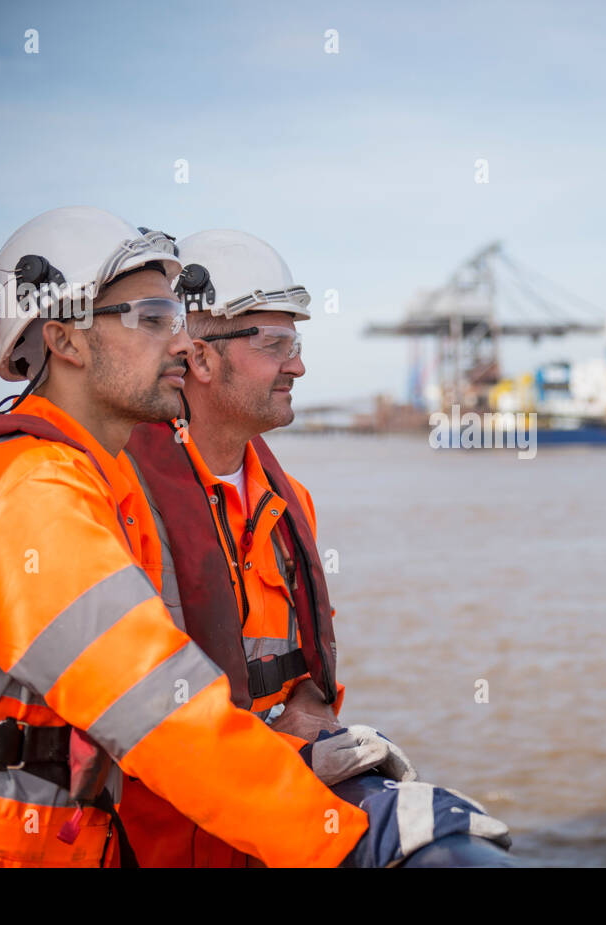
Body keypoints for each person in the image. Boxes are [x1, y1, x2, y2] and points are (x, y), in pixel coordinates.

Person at [0, 207, 373, 867]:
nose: (184, 344)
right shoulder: (28, 495)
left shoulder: (102, 491)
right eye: (152, 320)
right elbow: (160, 711)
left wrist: (294, 755)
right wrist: (348, 835)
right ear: (66, 341)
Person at [121, 230, 509, 866]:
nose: (297, 365)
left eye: (294, 344)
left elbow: (305, 671)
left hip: (268, 829)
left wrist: (310, 721)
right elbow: (130, 707)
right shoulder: (119, 495)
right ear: (198, 356)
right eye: (274, 344)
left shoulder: (289, 501)